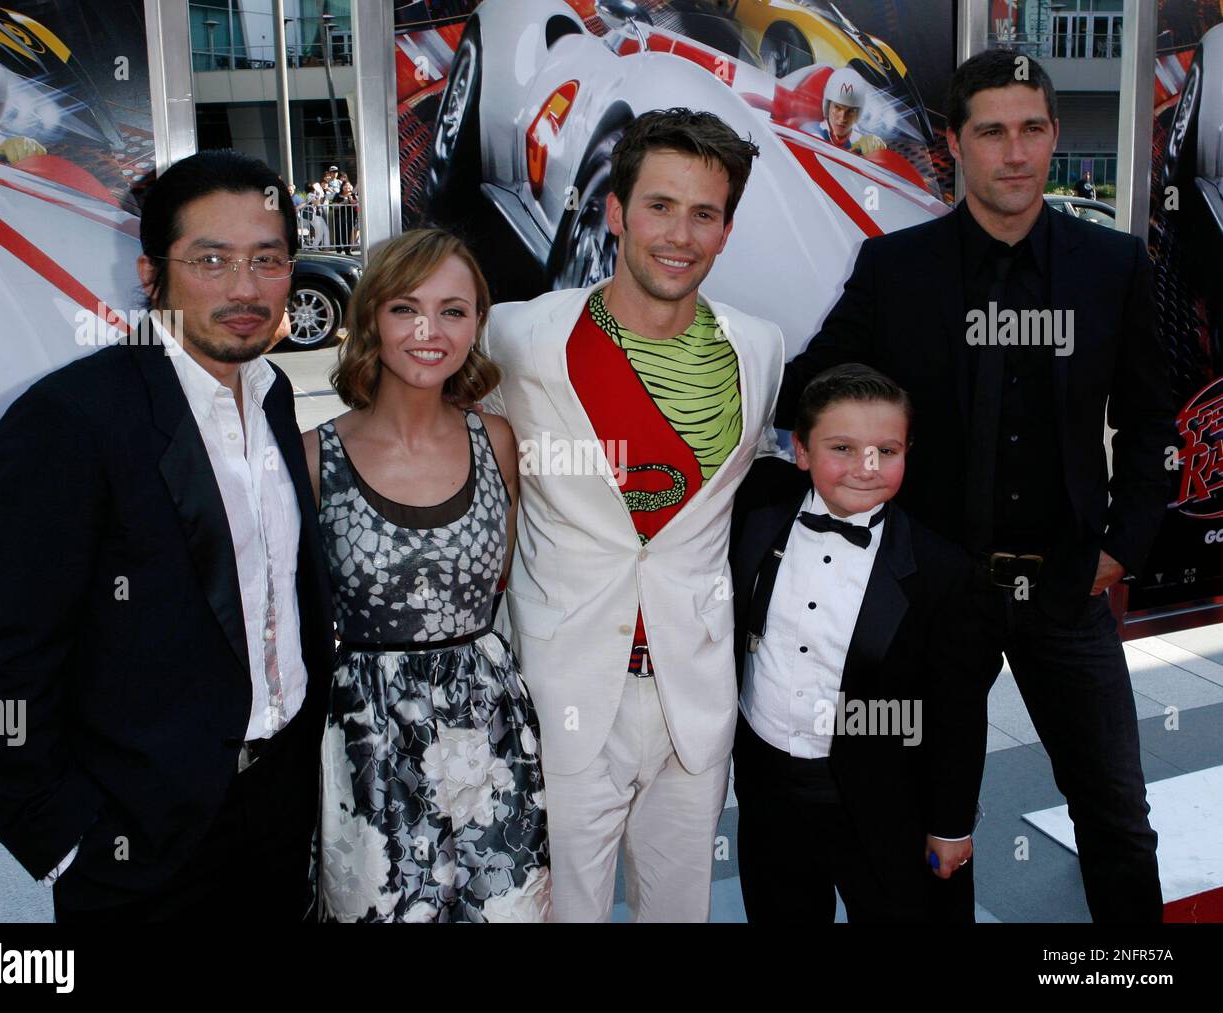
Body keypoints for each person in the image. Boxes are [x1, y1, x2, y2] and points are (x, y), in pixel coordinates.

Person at [775, 49, 1175, 922]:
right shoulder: (895, 270)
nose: (1016, 152)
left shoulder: (1113, 265)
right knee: (932, 823)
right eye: (992, 132)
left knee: (1117, 815)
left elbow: (1154, 420)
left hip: (1067, 587)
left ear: (1056, 138)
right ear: (955, 144)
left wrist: (1122, 545)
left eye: (1033, 129)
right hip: (932, 593)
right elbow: (806, 390)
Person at [0, 149, 334, 921]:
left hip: (279, 809)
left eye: (267, 260)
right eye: (211, 260)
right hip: (136, 843)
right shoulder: (68, 421)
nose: (244, 288)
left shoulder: (271, 395)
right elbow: (5, 658)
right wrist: (62, 834)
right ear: (150, 272)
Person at [482, 107, 784, 922]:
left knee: (680, 910)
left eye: (704, 213)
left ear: (726, 230)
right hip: (564, 682)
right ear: (615, 213)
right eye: (659, 205)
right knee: (562, 912)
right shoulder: (517, 335)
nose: (678, 234)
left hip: (694, 688)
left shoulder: (762, 349)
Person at [304, 228, 549, 923]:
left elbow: (500, 579)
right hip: (365, 739)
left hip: (488, 732)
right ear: (370, 317)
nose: (429, 331)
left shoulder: (498, 441)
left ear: (478, 323)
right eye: (406, 308)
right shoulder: (314, 456)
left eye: (454, 310)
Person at [730, 364, 981, 922]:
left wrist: (951, 825)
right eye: (841, 447)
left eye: (886, 451)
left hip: (884, 801)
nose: (865, 468)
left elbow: (958, 712)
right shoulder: (755, 515)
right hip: (768, 788)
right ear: (799, 451)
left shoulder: (943, 571)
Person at [809, 66, 886, 156]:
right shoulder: (811, 132)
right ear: (828, 106)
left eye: (851, 111)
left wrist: (878, 148)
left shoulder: (861, 140)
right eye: (837, 107)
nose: (843, 118)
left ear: (858, 114)